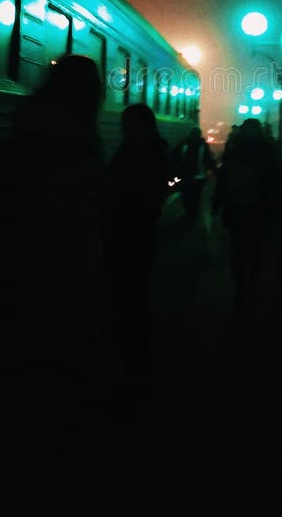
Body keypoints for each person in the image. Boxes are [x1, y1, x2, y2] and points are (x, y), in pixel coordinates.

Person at [0, 54, 111, 407]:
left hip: (20, 244)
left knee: (25, 324)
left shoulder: (27, 123)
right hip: (65, 249)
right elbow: (85, 198)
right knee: (63, 331)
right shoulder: (78, 134)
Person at [105, 103, 170, 369]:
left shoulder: (133, 155)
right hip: (142, 231)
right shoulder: (156, 153)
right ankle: (136, 345)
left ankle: (131, 350)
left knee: (127, 290)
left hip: (129, 230)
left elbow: (123, 191)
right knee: (135, 290)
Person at [211, 118, 277, 320]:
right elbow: (274, 181)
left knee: (238, 250)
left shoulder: (234, 151)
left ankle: (240, 289)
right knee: (255, 248)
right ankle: (252, 286)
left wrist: (216, 205)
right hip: (258, 209)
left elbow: (223, 180)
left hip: (237, 208)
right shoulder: (266, 152)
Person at [176, 126, 215, 226]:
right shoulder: (203, 146)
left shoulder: (185, 144)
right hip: (199, 176)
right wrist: (210, 170)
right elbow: (208, 160)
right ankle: (193, 213)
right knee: (195, 196)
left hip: (186, 175)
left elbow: (177, 157)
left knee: (186, 195)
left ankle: (190, 213)